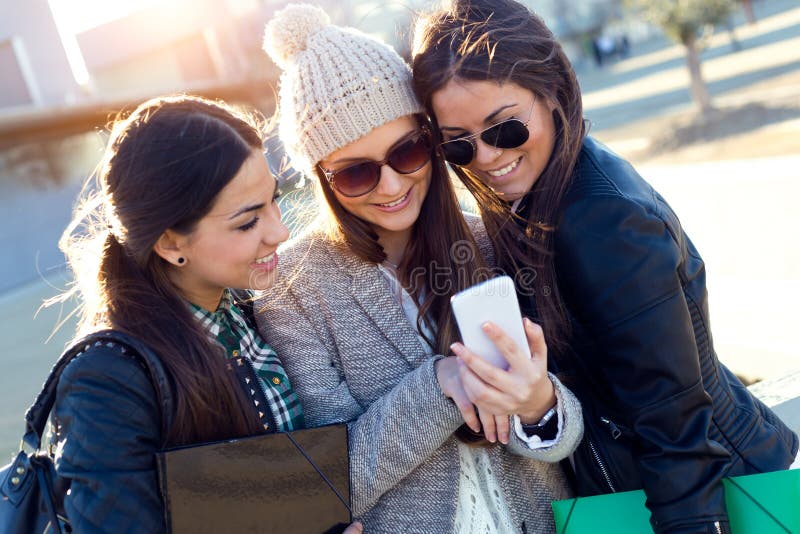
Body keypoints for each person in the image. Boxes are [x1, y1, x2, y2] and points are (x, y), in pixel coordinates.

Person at [410, 1, 799, 533]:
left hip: (715, 499)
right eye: (458, 144)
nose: (484, 158)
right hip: (645, 496)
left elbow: (678, 434)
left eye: (502, 130)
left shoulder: (602, 221)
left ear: (551, 92)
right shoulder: (543, 194)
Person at [257, 4, 583, 533]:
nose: (390, 186)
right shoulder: (293, 289)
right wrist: (441, 384)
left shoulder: (489, 238)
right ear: (321, 179)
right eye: (357, 172)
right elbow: (337, 474)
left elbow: (564, 436)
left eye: (407, 151)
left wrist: (539, 402)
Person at [51, 94, 361, 533]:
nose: (280, 231)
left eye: (275, 199)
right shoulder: (107, 379)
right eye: (247, 222)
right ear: (171, 243)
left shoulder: (253, 310)